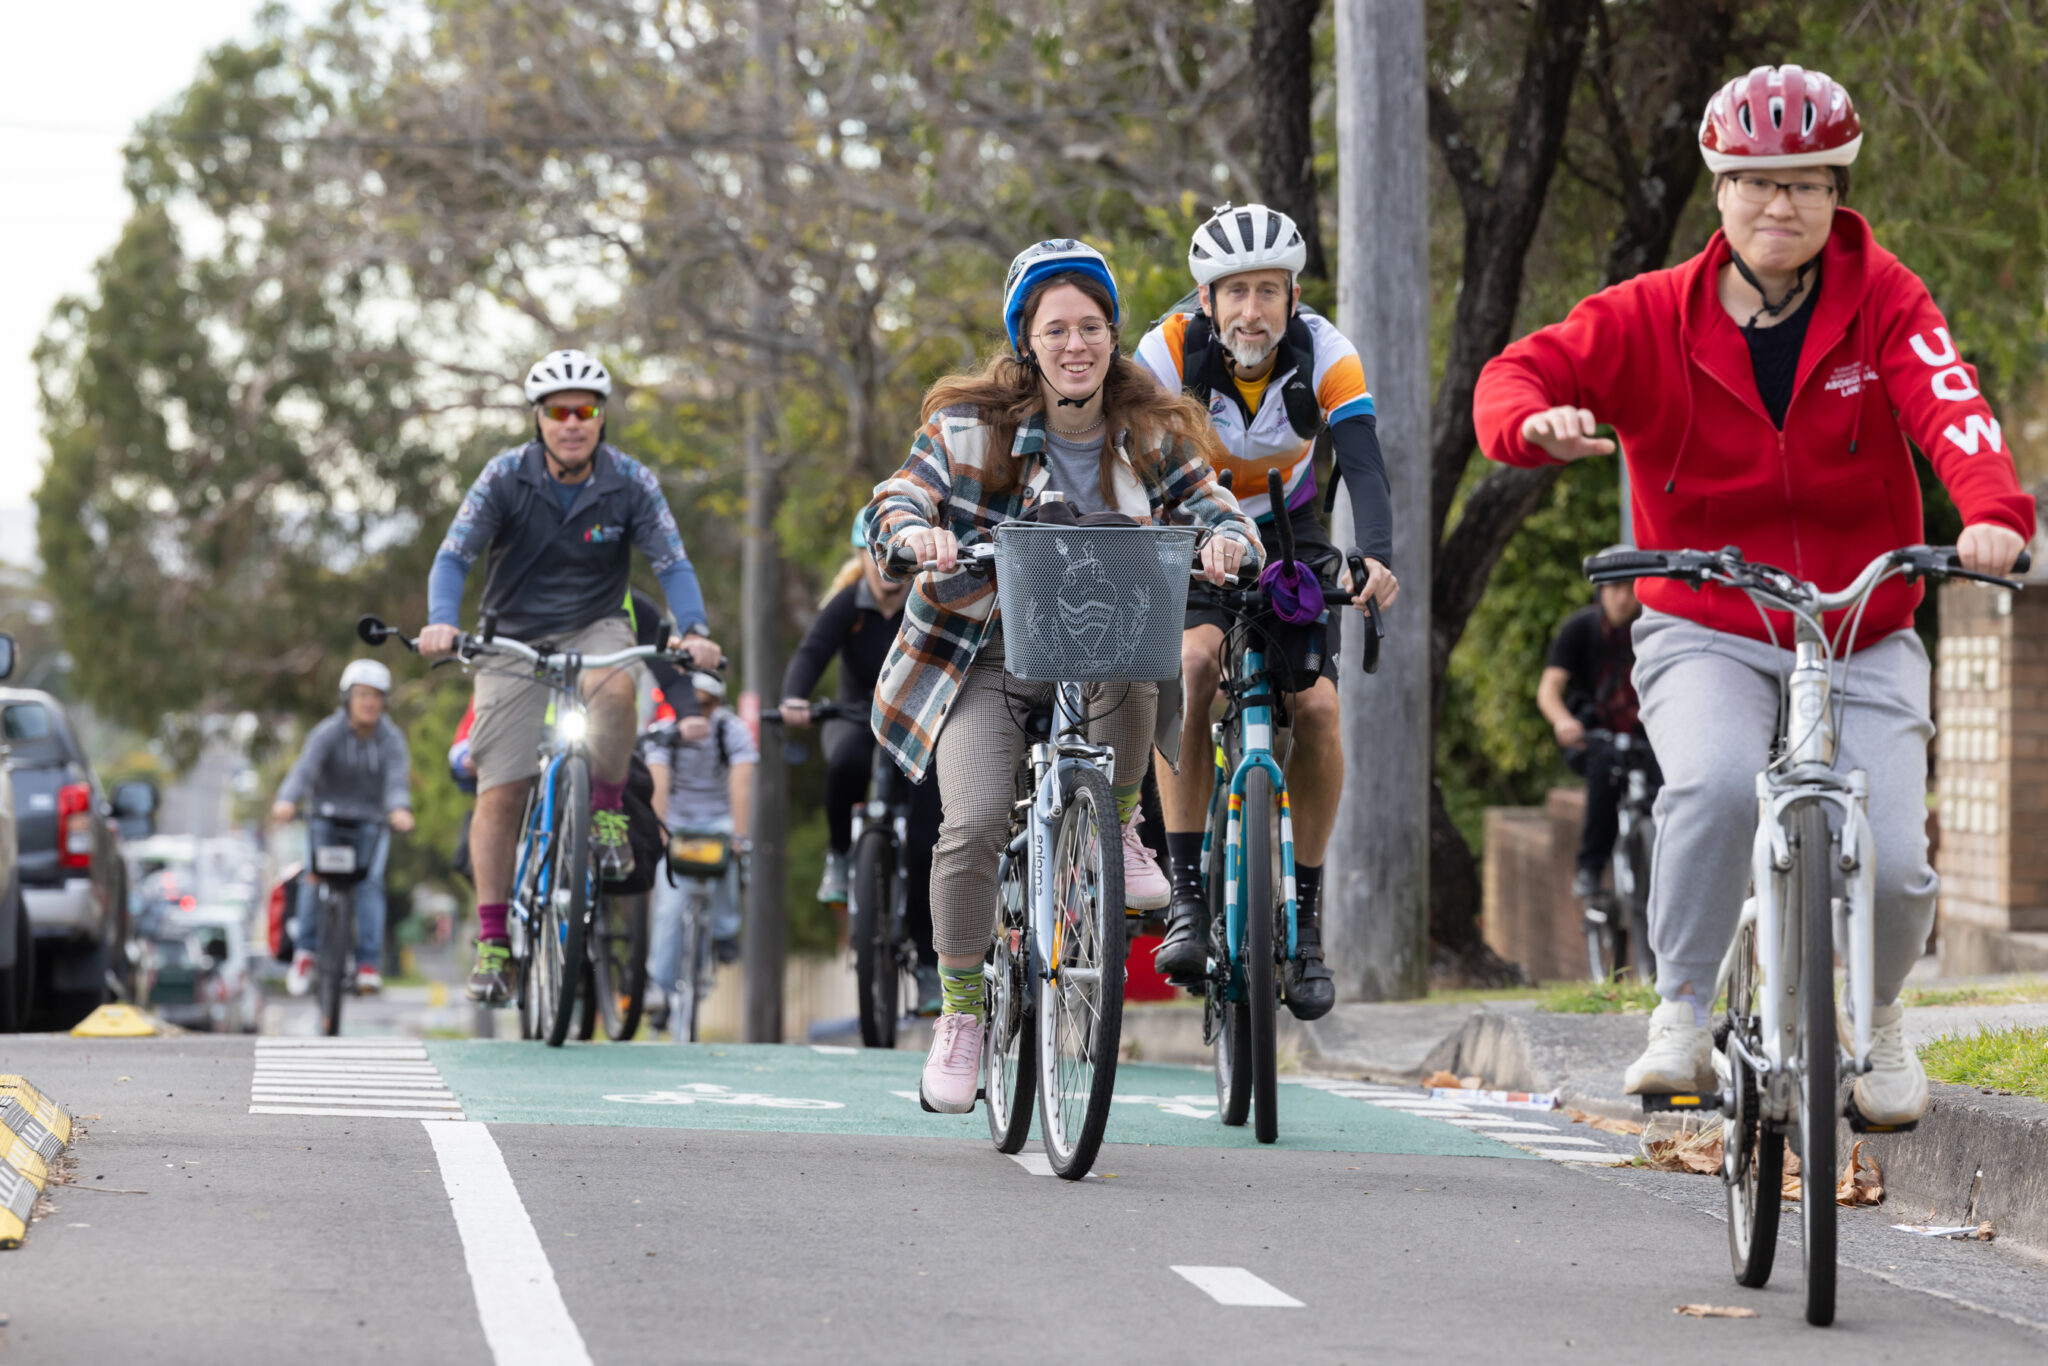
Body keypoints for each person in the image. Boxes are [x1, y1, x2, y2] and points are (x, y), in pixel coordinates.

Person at [1474, 65, 2035, 1124]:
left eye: (1808, 184)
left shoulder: (1883, 298)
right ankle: (1680, 1011)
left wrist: (1991, 509)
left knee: (1903, 861)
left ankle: (1874, 1017)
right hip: (1705, 619)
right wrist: (1529, 427)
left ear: (1835, 193)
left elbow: (1950, 404)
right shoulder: (1647, 316)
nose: (1782, 204)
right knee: (1717, 786)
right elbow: (1512, 374)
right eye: (1758, 182)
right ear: (1718, 188)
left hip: (1857, 619)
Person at [869, 238, 1261, 1113]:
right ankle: (962, 1013)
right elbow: (897, 496)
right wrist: (913, 533)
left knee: (1140, 635)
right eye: (1056, 330)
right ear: (1027, 341)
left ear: (1112, 336)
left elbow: (1216, 507)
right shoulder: (969, 429)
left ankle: (1118, 826)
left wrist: (1231, 540)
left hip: (1103, 644)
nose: (1075, 344)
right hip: (987, 652)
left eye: (1091, 327)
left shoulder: (1151, 430)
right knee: (967, 826)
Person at [1136, 203, 1400, 1020]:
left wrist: (1378, 556)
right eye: (1235, 293)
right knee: (1189, 668)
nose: (1252, 311)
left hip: (1295, 527)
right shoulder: (1165, 352)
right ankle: (1184, 898)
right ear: (1206, 301)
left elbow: (1361, 460)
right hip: (1189, 525)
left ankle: (1307, 923)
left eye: (1268, 292)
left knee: (1317, 711)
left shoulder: (1327, 352)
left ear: (1293, 295)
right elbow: (1130, 464)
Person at [418, 349, 723, 1004]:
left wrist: (693, 630)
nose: (572, 422)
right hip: (510, 637)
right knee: (499, 789)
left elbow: (672, 562)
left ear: (601, 417)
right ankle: (495, 943)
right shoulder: (503, 477)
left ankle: (607, 811)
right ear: (539, 419)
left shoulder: (632, 482)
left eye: (585, 410)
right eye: (558, 411)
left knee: (617, 688)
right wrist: (442, 621)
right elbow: (453, 557)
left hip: (595, 625)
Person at [780, 521, 942, 1012]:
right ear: (864, 557)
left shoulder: (927, 602)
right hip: (856, 717)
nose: (887, 565)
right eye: (877, 554)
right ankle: (839, 855)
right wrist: (793, 697)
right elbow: (810, 654)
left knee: (926, 840)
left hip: (915, 725)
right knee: (845, 761)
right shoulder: (848, 604)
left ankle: (928, 964)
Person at [273, 658, 414, 995]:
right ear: (347, 698)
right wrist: (286, 800)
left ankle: (367, 963)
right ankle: (305, 953)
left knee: (370, 884)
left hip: (370, 821)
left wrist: (399, 809)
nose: (369, 703)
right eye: (362, 694)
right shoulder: (327, 732)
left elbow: (397, 780)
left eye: (377, 696)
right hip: (324, 817)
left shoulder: (391, 739)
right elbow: (304, 771)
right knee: (313, 875)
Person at [1537, 554, 1660, 902]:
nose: (1623, 597)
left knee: (1669, 791)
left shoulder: (1654, 631)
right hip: (1592, 736)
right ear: (1601, 592)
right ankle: (1590, 868)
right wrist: (1564, 721)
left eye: (1630, 589)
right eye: (1615, 588)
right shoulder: (1579, 629)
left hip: (1645, 735)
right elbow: (1549, 689)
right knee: (1606, 770)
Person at [642, 669, 757, 1025]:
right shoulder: (663, 735)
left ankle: (725, 932)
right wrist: (658, 834)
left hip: (718, 820)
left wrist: (738, 837)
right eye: (690, 704)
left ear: (717, 704)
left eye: (705, 705)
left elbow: (741, 785)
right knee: (668, 908)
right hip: (675, 824)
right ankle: (659, 987)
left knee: (728, 861)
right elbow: (657, 786)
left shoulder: (732, 730)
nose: (697, 711)